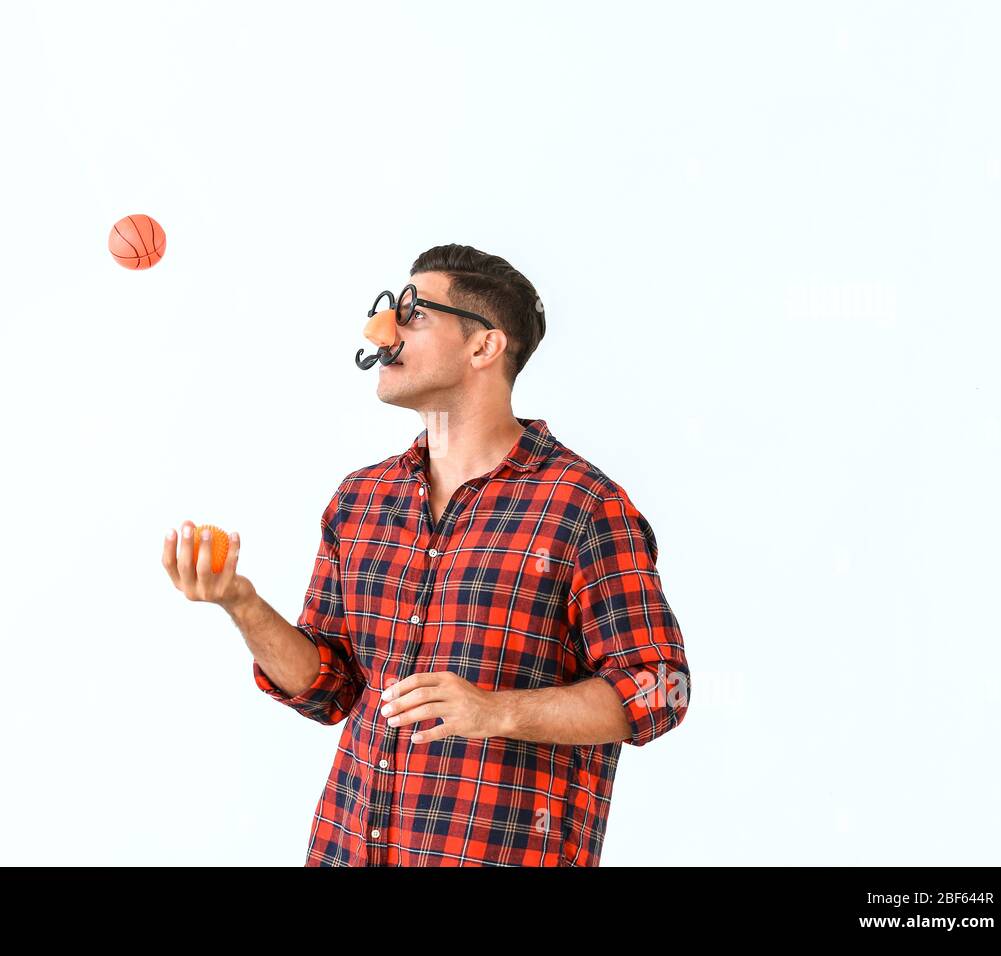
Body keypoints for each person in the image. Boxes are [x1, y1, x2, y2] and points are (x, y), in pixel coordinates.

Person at [161, 243, 691, 866]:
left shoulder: (582, 506)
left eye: (413, 313)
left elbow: (660, 690)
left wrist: (494, 710)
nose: (380, 330)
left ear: (483, 347)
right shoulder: (361, 500)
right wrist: (241, 603)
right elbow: (327, 688)